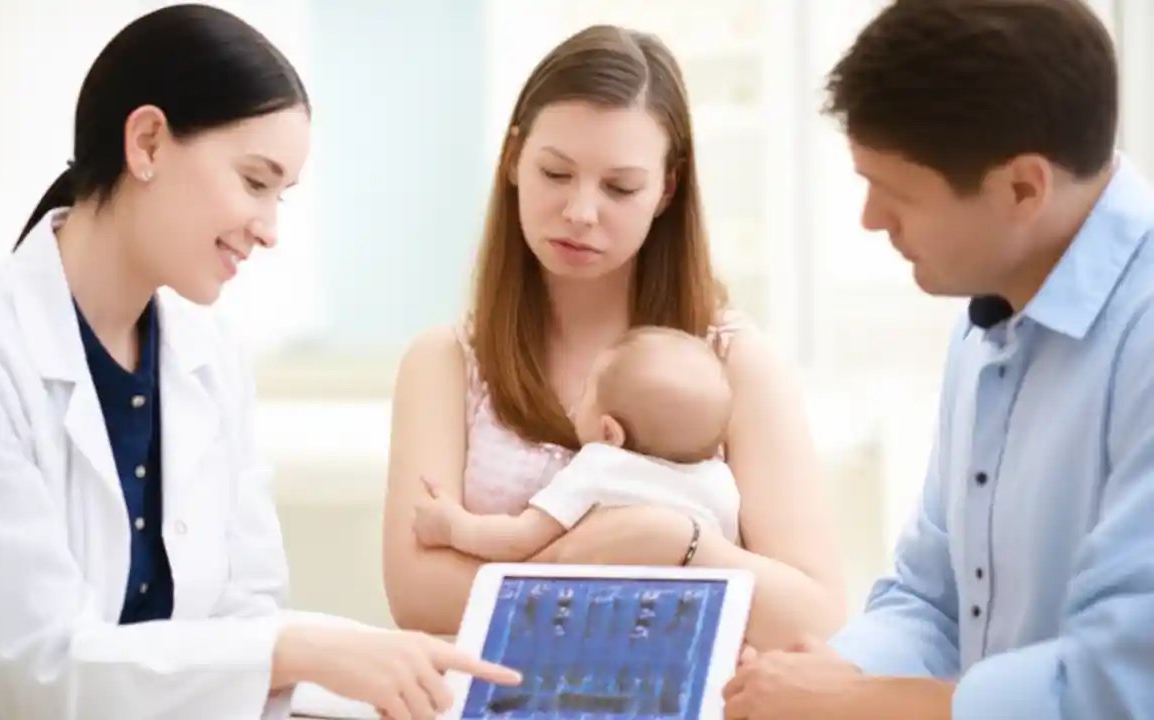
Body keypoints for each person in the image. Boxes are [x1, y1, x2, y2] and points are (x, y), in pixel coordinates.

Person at [0, 6, 518, 720]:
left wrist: (354, 674)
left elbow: (243, 615)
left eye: (282, 195)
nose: (270, 229)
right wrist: (301, 647)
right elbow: (40, 672)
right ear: (147, 141)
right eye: (254, 181)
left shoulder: (205, 355)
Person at [723, 1, 1154, 718]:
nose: (871, 220)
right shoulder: (992, 313)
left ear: (1023, 187)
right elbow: (933, 596)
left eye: (895, 194)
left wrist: (861, 701)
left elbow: (1124, 679)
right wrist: (818, 677)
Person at [382, 24, 847, 650]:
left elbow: (813, 617)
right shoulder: (445, 362)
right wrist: (596, 567)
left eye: (620, 187)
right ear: (512, 159)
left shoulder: (733, 362)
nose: (580, 211)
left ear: (667, 190)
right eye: (555, 173)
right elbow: (418, 594)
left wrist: (675, 545)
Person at [411, 325, 737, 562]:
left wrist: (453, 527)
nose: (574, 406)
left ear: (610, 433)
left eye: (586, 395)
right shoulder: (719, 484)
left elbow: (518, 541)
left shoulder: (600, 467)